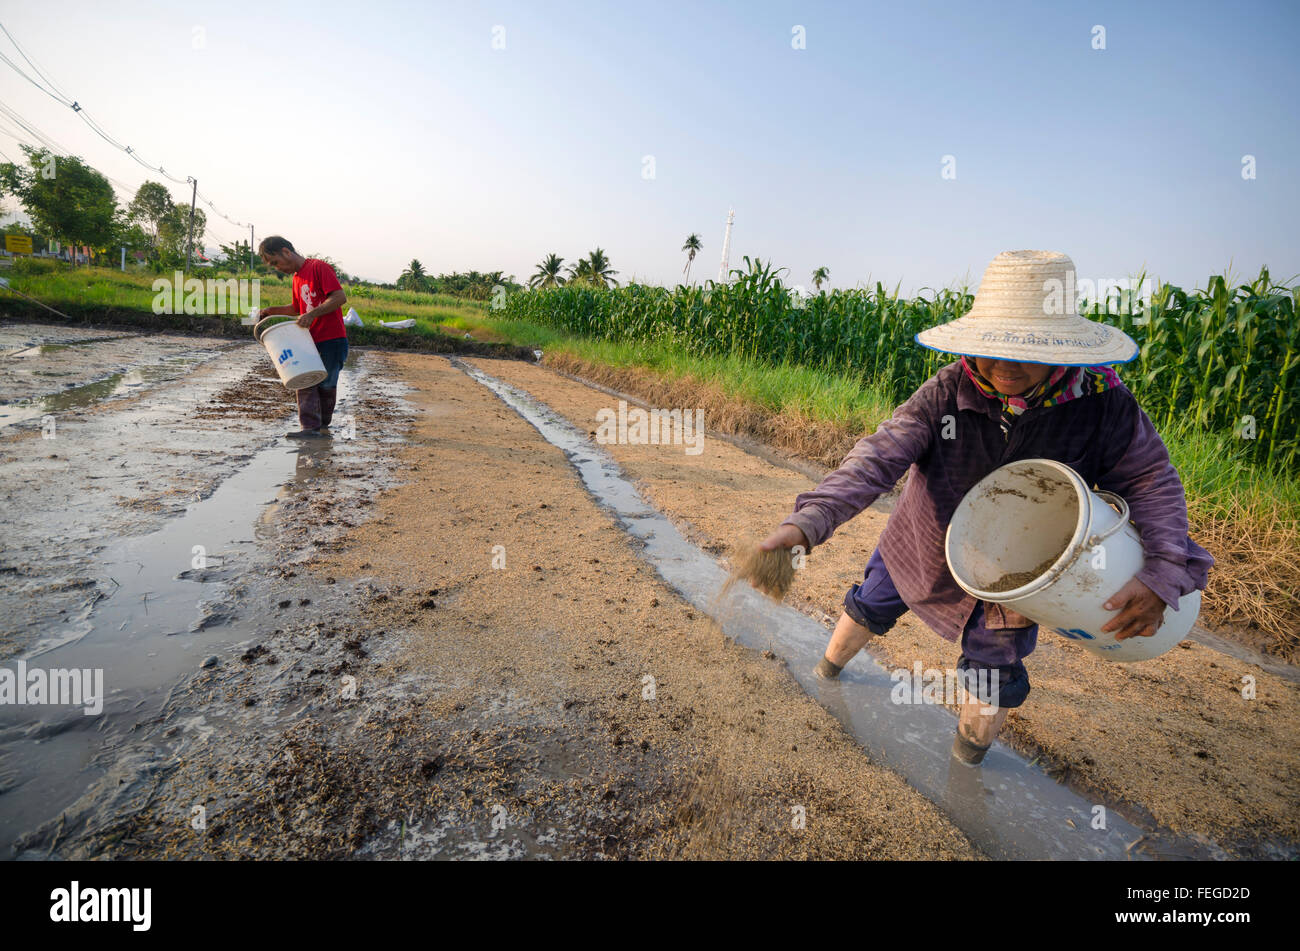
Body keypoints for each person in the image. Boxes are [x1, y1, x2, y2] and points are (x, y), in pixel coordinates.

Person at [759, 250, 1213, 765]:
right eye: (992, 347)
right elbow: (878, 458)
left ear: (1062, 351)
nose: (1003, 365)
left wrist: (1165, 568)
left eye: (1027, 349)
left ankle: (965, 769)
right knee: (870, 604)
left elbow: (1151, 481)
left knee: (994, 672)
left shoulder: (1103, 405)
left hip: (1022, 572)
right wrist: (806, 523)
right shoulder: (947, 393)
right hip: (923, 541)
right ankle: (826, 676)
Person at [256, 236, 349, 439]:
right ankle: (309, 428)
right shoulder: (298, 278)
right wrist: (272, 310)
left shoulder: (318, 267)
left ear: (286, 252)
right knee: (304, 381)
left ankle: (321, 427)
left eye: (275, 262)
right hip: (308, 340)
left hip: (331, 339)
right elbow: (297, 308)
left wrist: (313, 314)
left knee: (326, 385)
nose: (276, 267)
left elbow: (339, 297)